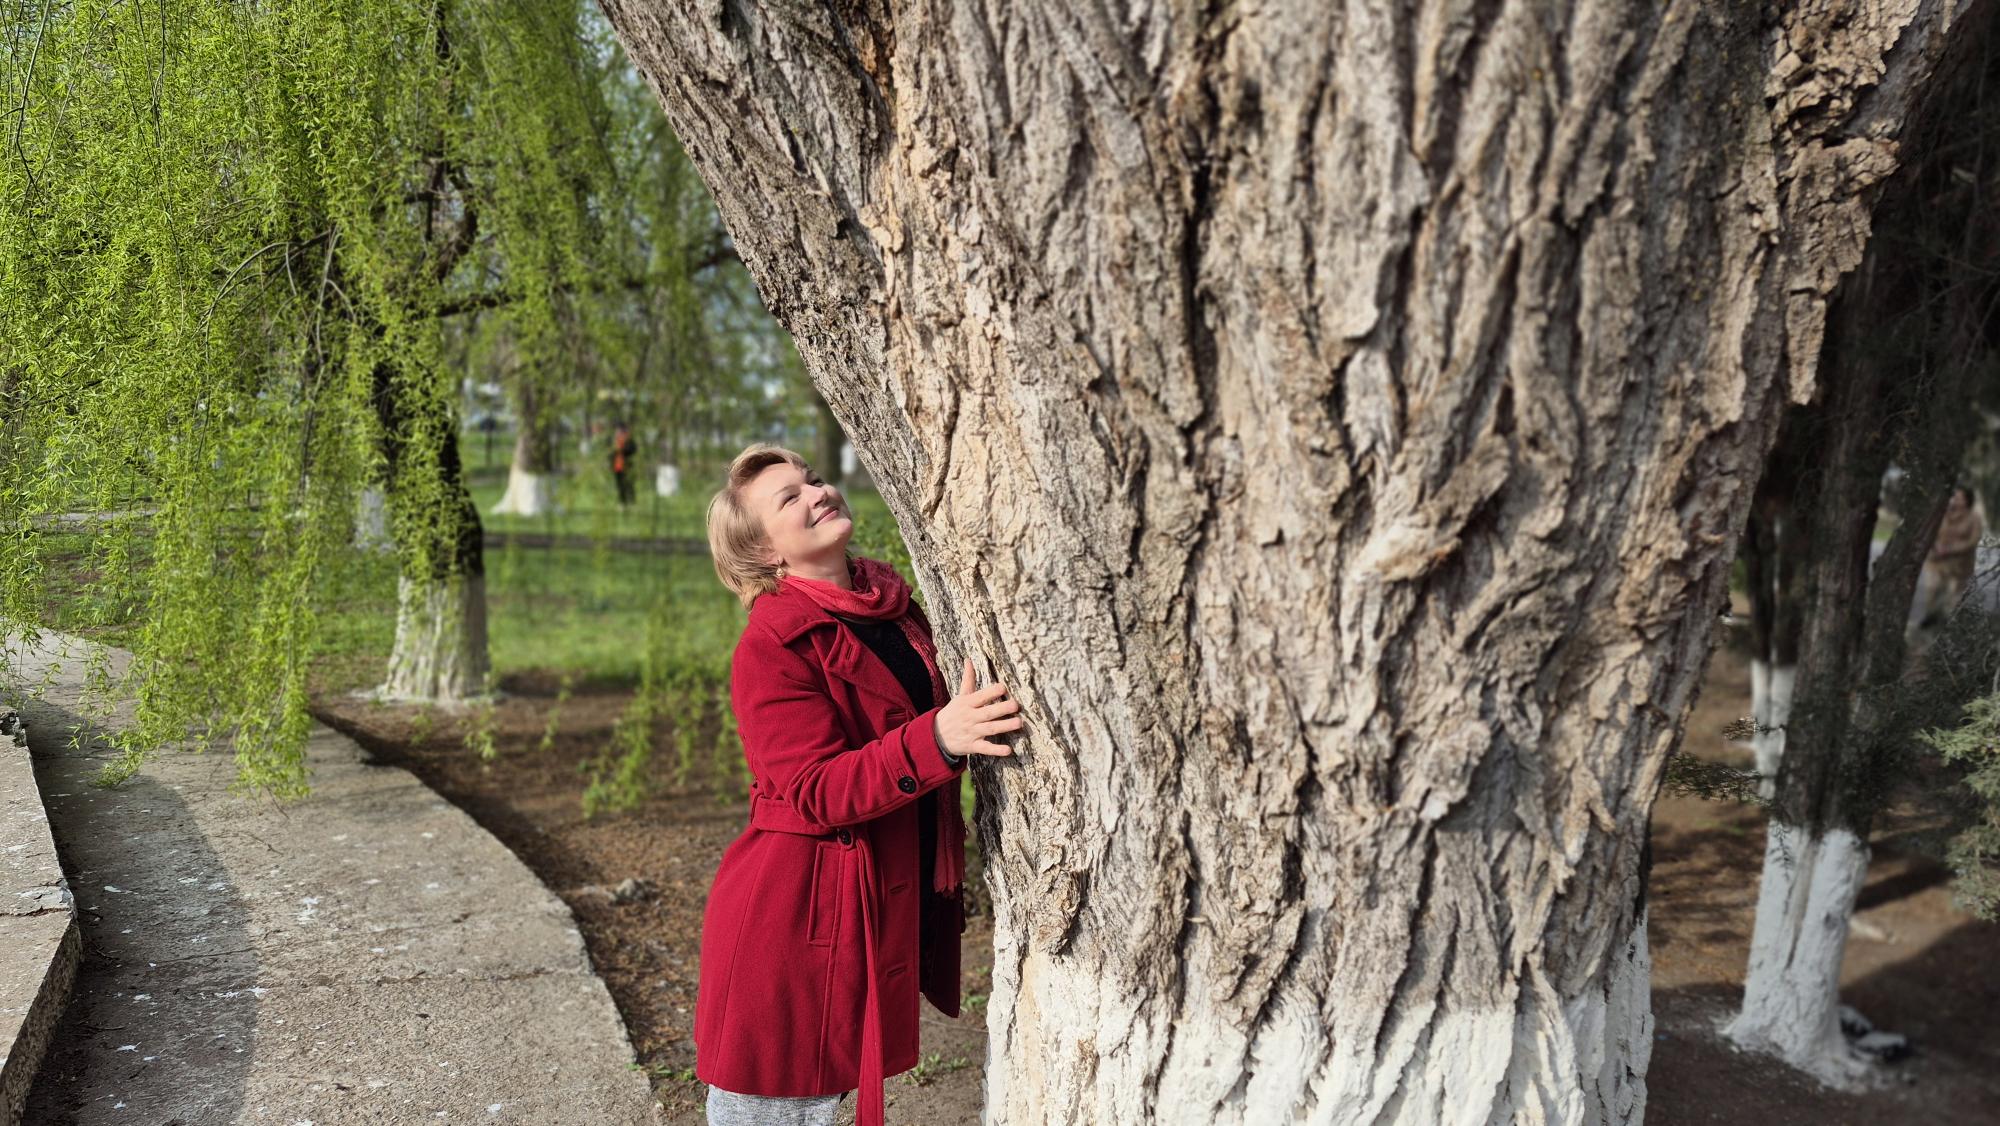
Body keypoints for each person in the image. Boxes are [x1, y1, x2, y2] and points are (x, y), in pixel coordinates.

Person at [697, 444, 1020, 1126]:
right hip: (797, 913)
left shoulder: (896, 610)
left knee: (827, 1094)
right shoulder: (770, 648)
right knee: (778, 1105)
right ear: (763, 553)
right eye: (790, 499)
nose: (817, 493)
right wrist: (938, 738)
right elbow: (813, 787)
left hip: (871, 894)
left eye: (813, 480)